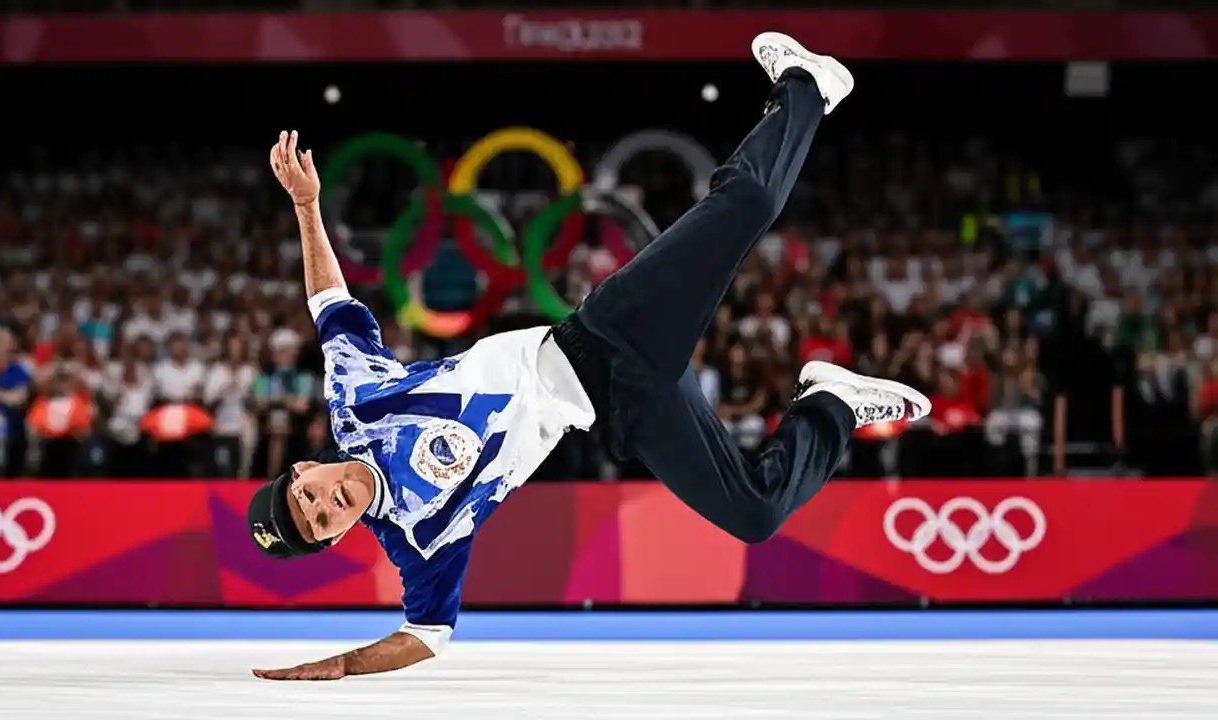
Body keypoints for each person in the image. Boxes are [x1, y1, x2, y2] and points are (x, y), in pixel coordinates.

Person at [248, 32, 930, 681]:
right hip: (622, 412)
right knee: (752, 514)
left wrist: (308, 208)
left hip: (603, 336)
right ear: (337, 538)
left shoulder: (357, 404)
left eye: (305, 494)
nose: (323, 505)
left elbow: (328, 305)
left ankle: (807, 86)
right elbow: (428, 634)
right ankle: (830, 404)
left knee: (743, 205)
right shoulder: (419, 538)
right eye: (319, 523)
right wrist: (345, 663)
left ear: (305, 468)